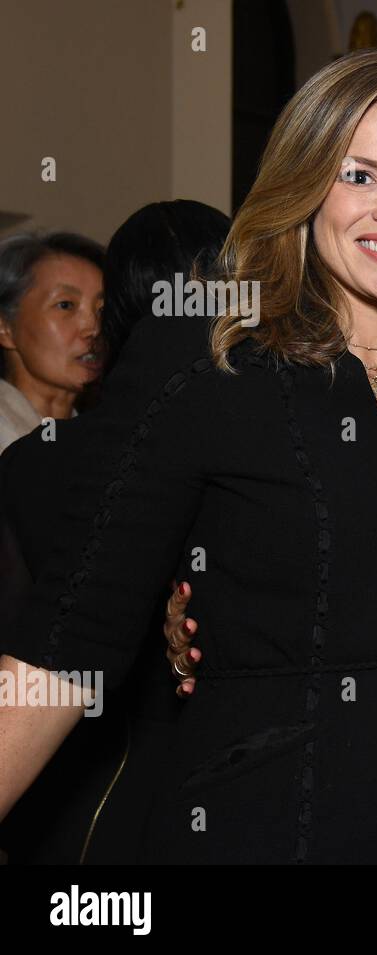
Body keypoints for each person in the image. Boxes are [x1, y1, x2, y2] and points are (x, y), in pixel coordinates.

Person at [0, 49, 377, 864]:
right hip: (268, 827)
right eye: (359, 175)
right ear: (303, 186)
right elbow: (66, 643)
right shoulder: (207, 360)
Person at [0, 201, 229, 865]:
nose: (83, 325)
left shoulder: (46, 459)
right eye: (63, 305)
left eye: (92, 304)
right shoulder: (247, 448)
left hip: (80, 793)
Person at [0, 233, 104, 452]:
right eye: (65, 305)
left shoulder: (103, 442)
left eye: (102, 310)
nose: (93, 328)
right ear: (5, 328)